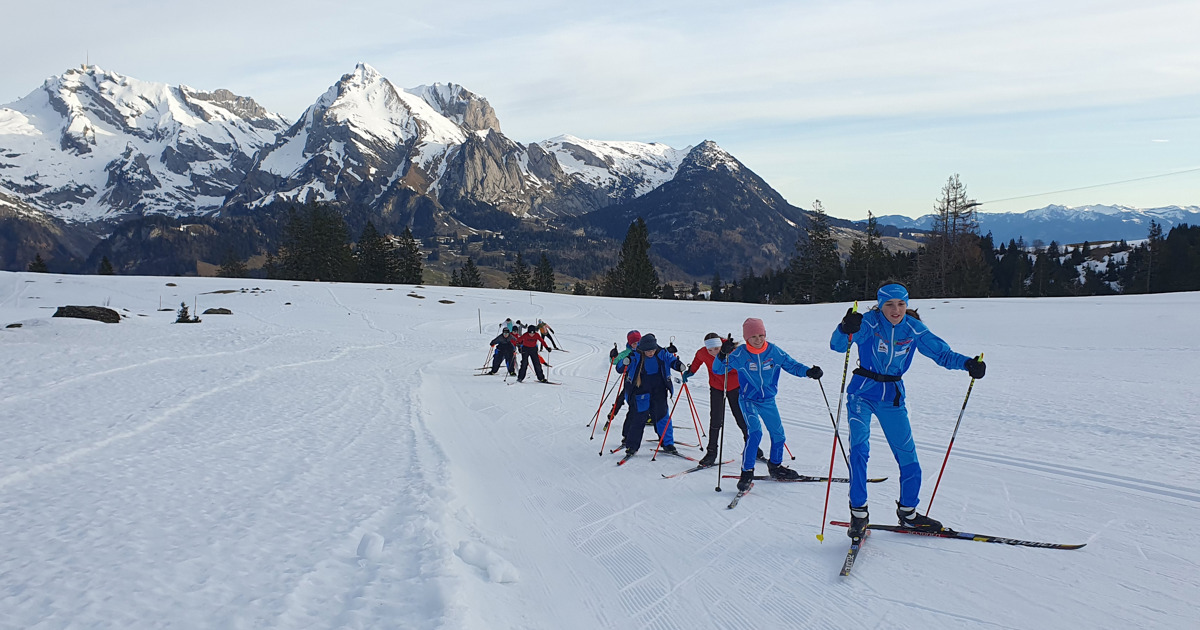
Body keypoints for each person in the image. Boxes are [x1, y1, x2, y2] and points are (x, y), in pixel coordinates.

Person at [831, 282, 986, 539]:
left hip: (892, 398)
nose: (896, 309)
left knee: (909, 457)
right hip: (861, 394)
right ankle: (858, 513)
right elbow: (838, 346)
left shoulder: (913, 328)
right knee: (860, 451)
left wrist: (968, 364)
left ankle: (909, 513)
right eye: (889, 304)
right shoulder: (868, 322)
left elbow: (943, 354)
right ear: (880, 305)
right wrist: (845, 328)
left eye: (901, 304)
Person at [712, 318, 823, 490]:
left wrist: (808, 372)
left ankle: (776, 466)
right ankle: (747, 471)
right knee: (755, 433)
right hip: (748, 400)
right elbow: (718, 370)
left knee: (779, 435)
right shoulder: (740, 354)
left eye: (761, 335)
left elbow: (792, 365)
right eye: (753, 336)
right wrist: (722, 355)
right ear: (746, 338)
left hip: (768, 401)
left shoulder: (773, 351)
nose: (758, 339)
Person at [683, 333, 762, 466]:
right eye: (710, 350)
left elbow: (746, 366)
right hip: (716, 387)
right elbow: (697, 362)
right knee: (715, 419)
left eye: (716, 349)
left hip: (735, 387)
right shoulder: (702, 353)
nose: (713, 352)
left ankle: (753, 448)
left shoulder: (732, 351)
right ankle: (711, 453)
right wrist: (689, 372)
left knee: (741, 418)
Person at [614, 334, 687, 457]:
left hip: (659, 390)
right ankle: (632, 446)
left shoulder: (661, 353)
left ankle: (667, 443)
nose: (651, 353)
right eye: (648, 351)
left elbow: (672, 360)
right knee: (639, 419)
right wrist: (624, 362)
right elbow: (620, 368)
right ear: (642, 349)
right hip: (641, 391)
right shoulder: (635, 355)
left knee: (662, 417)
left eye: (652, 350)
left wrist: (678, 365)